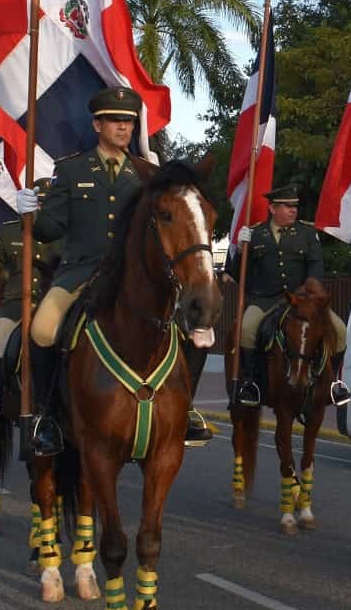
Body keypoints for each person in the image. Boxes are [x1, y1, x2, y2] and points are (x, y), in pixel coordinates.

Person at [12, 85, 215, 455]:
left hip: (131, 277)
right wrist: (30, 212)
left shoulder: (147, 175)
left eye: (129, 122)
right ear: (97, 124)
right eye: (115, 121)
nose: (124, 128)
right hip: (79, 273)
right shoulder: (72, 170)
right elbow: (50, 230)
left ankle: (186, 410)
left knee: (199, 331)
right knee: (42, 328)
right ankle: (48, 417)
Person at [223, 185, 351, 409]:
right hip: (265, 300)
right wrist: (240, 251)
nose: (293, 210)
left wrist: (310, 296)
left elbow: (315, 267)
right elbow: (235, 273)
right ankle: (250, 384)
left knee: (340, 330)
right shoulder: (256, 234)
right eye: (287, 206)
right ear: (273, 208)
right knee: (246, 330)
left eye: (295, 206)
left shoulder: (307, 233)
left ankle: (333, 383)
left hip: (303, 302)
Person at [0, 216, 53, 418]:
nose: (39, 208)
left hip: (48, 302)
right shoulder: (10, 230)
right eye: (36, 203)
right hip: (15, 303)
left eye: (43, 204)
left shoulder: (60, 228)